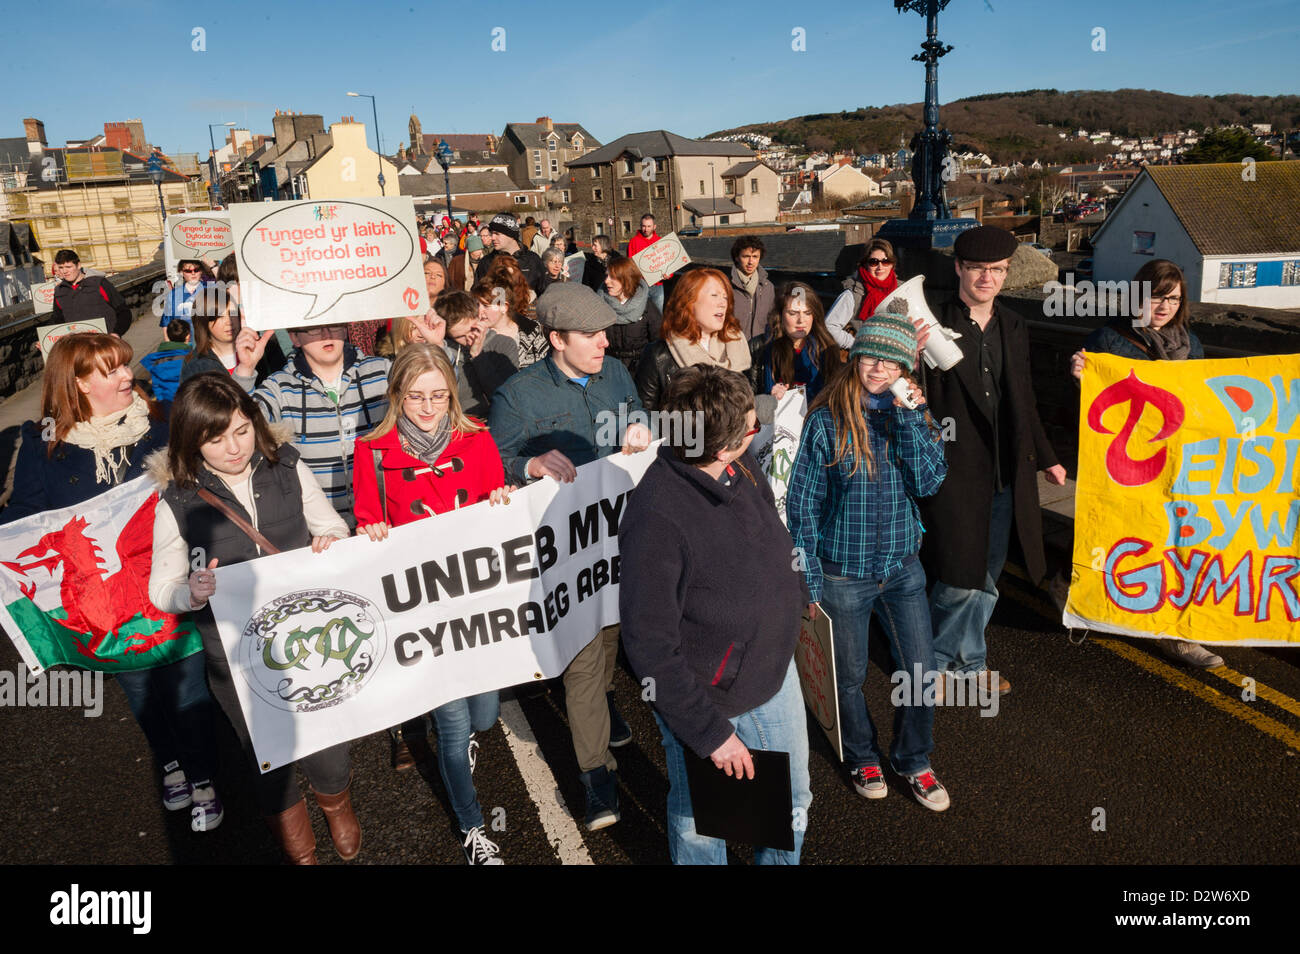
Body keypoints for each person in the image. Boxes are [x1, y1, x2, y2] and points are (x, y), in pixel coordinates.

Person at [3, 333, 224, 831]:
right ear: (79, 384)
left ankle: (205, 776)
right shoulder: (45, 445)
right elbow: (24, 519)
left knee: (189, 690)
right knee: (142, 691)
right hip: (107, 603)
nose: (129, 376)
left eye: (125, 365)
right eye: (113, 370)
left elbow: (216, 441)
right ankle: (169, 763)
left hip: (171, 583)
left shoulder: (162, 421)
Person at [147, 373, 356, 864]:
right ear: (191, 441)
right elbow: (162, 589)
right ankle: (295, 837)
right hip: (234, 653)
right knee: (265, 749)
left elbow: (332, 525)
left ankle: (337, 803)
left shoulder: (287, 465)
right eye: (215, 440)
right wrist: (190, 593)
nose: (234, 447)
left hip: (308, 637)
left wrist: (331, 541)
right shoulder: (176, 498)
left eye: (242, 430)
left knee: (325, 732)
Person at [620, 364, 811, 863]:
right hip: (718, 698)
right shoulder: (654, 518)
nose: (757, 430)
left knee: (790, 803)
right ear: (722, 445)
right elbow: (649, 646)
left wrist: (797, 588)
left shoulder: (737, 466)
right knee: (703, 822)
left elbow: (773, 532)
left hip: (773, 671)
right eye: (751, 425)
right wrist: (710, 734)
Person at [488, 283, 652, 830]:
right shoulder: (518, 395)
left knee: (611, 635)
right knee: (583, 655)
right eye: (591, 335)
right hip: (567, 550)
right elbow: (496, 464)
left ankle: (605, 705)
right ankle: (596, 774)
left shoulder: (618, 375)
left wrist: (642, 428)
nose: (605, 342)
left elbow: (644, 420)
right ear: (557, 339)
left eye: (606, 331)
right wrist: (527, 468)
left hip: (622, 535)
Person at [352, 345, 513, 863]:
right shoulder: (372, 452)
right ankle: (472, 828)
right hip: (424, 614)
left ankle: (462, 739)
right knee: (453, 725)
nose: (427, 408)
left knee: (485, 716)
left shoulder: (479, 439)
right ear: (397, 394)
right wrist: (369, 529)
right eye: (416, 396)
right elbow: (366, 519)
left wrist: (501, 502)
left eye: (438, 396)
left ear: (452, 394)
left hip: (477, 605)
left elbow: (498, 511)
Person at [786, 316, 952, 811]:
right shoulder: (825, 419)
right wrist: (810, 579)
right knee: (849, 677)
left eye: (891, 360)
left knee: (920, 671)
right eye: (870, 356)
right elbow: (803, 505)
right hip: (842, 574)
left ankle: (913, 759)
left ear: (906, 367)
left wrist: (905, 416)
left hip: (902, 570)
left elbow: (929, 484)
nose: (878, 368)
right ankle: (861, 754)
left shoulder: (914, 416)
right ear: (855, 358)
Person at [914, 225, 1066, 697]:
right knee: (958, 570)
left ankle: (967, 664)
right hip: (953, 467)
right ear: (959, 268)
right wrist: (912, 354)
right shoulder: (929, 320)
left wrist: (1046, 456)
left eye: (997, 270)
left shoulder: (1014, 325)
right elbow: (893, 384)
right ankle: (937, 667)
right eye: (978, 268)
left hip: (1006, 469)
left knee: (988, 573)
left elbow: (1024, 397)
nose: (988, 278)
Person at [1068, 259, 1217, 669]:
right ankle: (1087, 596)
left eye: (1173, 297)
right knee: (1126, 539)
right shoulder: (1108, 339)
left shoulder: (1193, 345)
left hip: (1181, 464)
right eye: (1157, 296)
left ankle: (1179, 635)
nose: (1165, 305)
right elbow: (1092, 408)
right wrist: (1083, 378)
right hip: (1129, 463)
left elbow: (1203, 405)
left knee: (1180, 544)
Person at [236, 323, 391, 525]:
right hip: (319, 531)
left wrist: (436, 345)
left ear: (345, 330)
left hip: (383, 522)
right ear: (294, 338)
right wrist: (246, 370)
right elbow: (236, 423)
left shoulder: (381, 371)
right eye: (314, 329)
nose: (326, 335)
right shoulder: (280, 387)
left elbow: (438, 394)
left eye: (334, 326)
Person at [636, 267, 750, 411]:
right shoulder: (659, 355)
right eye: (714, 295)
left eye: (725, 296)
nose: (723, 303)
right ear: (689, 302)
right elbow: (644, 413)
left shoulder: (736, 344)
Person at [750, 282, 843, 403]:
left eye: (807, 313)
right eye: (793, 313)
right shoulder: (761, 348)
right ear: (780, 315)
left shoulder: (827, 348)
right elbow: (749, 399)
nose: (801, 320)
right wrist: (769, 399)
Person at [825, 239, 900, 350]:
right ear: (865, 264)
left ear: (892, 264)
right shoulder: (853, 294)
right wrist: (858, 345)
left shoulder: (902, 289)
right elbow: (829, 327)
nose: (880, 267)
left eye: (885, 261)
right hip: (866, 360)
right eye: (873, 262)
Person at [475, 260, 549, 366]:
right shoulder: (473, 334)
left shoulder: (532, 331)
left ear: (504, 307)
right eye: (477, 305)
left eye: (486, 306)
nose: (479, 311)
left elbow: (546, 367)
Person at [597, 252, 658, 376]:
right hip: (608, 368)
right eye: (606, 275)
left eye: (612, 277)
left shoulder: (646, 306)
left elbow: (658, 339)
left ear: (626, 279)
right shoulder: (599, 304)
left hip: (640, 369)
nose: (606, 281)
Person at [51, 249, 133, 335]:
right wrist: (45, 341)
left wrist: (116, 333)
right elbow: (57, 320)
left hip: (105, 343)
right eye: (61, 268)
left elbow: (124, 312)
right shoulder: (59, 291)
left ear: (78, 265)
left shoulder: (100, 283)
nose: (64, 271)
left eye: (68, 267)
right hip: (77, 345)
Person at [476, 214, 545, 295]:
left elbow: (544, 293)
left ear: (511, 235)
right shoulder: (486, 262)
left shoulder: (533, 260)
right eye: (492, 233)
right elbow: (478, 295)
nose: (492, 237)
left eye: (497, 233)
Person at [729, 236, 776, 339]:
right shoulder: (726, 286)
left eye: (755, 257)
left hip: (761, 349)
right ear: (737, 257)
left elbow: (772, 320)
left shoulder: (768, 287)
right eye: (746, 256)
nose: (751, 262)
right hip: (734, 347)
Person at [139, 318, 193, 406]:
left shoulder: (156, 361)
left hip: (166, 406)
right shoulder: (191, 359)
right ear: (188, 336)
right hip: (187, 406)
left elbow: (156, 387)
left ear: (168, 335)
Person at [627, 213, 671, 315]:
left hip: (658, 285)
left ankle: (657, 331)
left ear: (654, 226)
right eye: (643, 226)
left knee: (658, 313)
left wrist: (668, 275)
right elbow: (630, 265)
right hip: (640, 284)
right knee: (640, 314)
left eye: (648, 226)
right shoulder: (633, 242)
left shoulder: (660, 241)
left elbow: (668, 263)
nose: (645, 229)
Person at [160, 259, 215, 329]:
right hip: (182, 339)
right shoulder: (173, 294)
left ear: (201, 271)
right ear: (181, 272)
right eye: (188, 271)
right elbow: (166, 323)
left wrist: (213, 266)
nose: (193, 273)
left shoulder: (211, 289)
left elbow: (227, 287)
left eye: (196, 270)